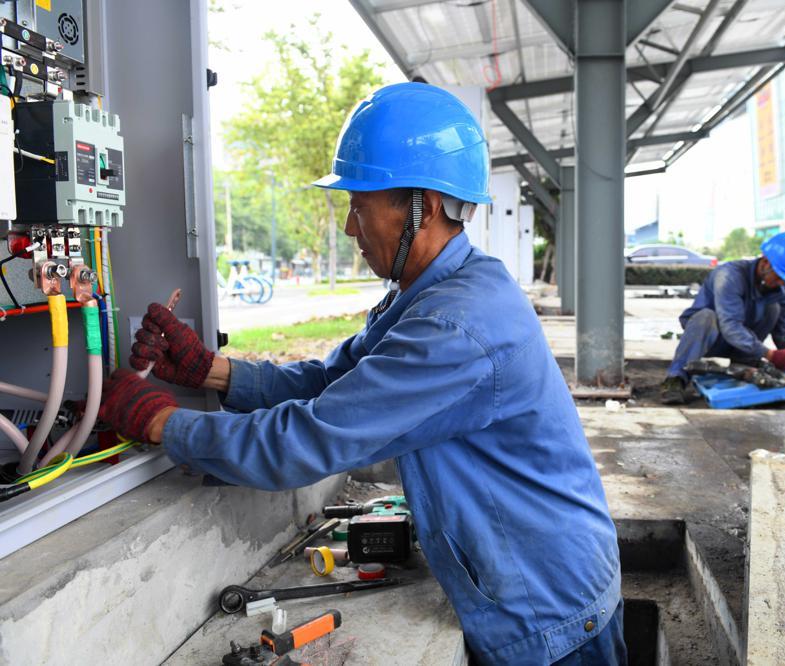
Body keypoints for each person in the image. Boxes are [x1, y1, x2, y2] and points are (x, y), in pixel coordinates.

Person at [97, 83, 625, 665]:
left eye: (358, 205)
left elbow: (311, 438)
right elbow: (331, 384)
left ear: (420, 206)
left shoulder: (457, 324)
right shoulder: (429, 294)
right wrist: (212, 372)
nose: (350, 227)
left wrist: (159, 422)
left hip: (550, 612)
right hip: (531, 577)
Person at [660, 231, 785, 405]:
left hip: (744, 345)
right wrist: (769, 354)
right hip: (710, 339)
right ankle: (675, 380)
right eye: (779, 277)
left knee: (773, 308)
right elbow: (730, 325)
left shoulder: (783, 285)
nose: (782, 283)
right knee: (706, 317)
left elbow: (782, 324)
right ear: (765, 262)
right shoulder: (729, 276)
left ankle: (745, 362)